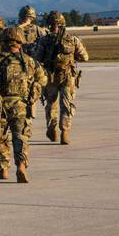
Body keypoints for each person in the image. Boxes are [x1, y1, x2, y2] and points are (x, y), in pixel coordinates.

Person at [0, 28, 47, 182]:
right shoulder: (30, 61)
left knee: (0, 137)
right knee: (21, 136)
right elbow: (43, 79)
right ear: (20, 42)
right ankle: (21, 166)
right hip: (21, 105)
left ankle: (3, 169)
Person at [33, 11, 89, 144]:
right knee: (66, 105)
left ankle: (52, 129)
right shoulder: (73, 39)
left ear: (49, 24)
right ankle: (65, 131)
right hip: (67, 77)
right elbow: (85, 57)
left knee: (51, 104)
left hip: (50, 77)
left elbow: (36, 59)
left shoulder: (44, 40)